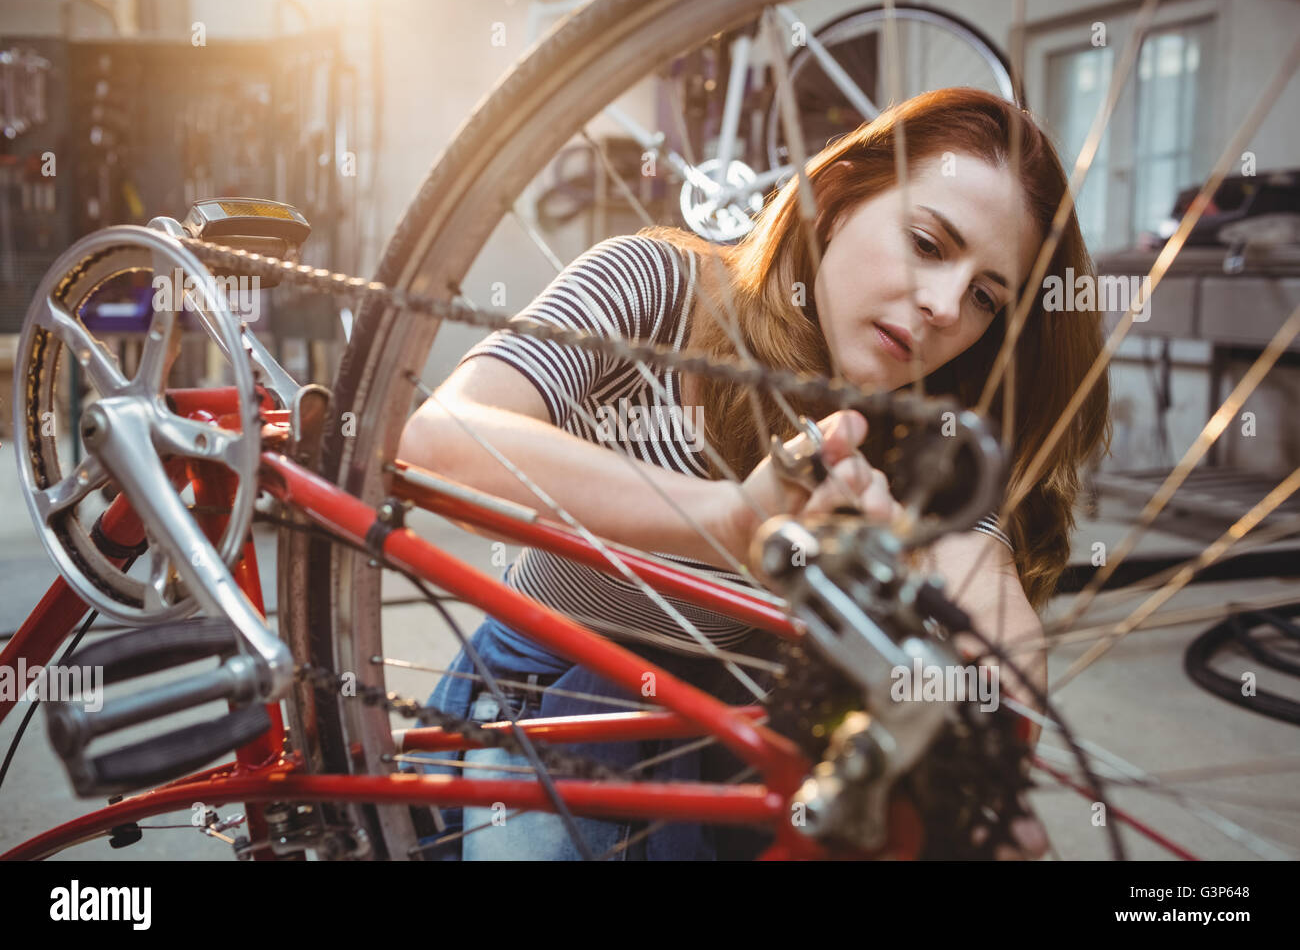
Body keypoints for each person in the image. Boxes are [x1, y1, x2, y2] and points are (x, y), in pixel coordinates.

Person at [396, 87, 1111, 860]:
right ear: (834, 201)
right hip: (555, 689)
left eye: (984, 297)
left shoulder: (922, 421)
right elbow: (438, 442)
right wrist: (731, 519)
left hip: (743, 730)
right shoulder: (656, 287)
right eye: (928, 244)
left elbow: (988, 591)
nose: (944, 306)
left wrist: (995, 744)